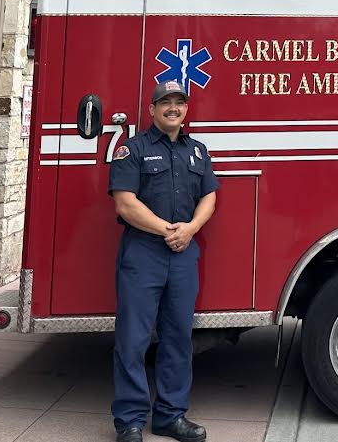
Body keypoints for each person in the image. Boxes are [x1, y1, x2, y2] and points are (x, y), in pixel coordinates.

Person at [109, 80, 219, 442]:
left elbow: (209, 197)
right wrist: (168, 230)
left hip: (183, 255)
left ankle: (171, 417)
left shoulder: (198, 152)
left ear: (186, 109)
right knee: (133, 340)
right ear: (153, 109)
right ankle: (130, 422)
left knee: (178, 339)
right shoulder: (133, 150)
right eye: (166, 102)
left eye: (179, 102)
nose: (173, 108)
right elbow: (125, 203)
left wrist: (190, 229)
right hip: (143, 254)